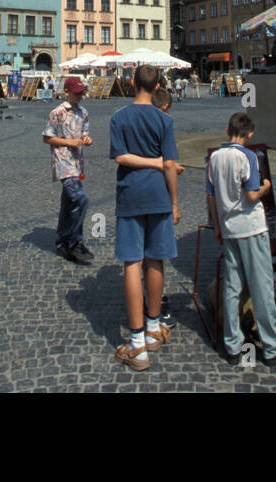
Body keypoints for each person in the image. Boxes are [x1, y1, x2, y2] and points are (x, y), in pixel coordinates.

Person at [111, 64, 182, 371]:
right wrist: (175, 202)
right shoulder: (163, 119)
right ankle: (153, 326)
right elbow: (169, 164)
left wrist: (149, 162)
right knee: (156, 260)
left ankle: (138, 345)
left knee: (132, 262)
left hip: (130, 193)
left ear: (131, 84)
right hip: (158, 195)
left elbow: (121, 156)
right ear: (157, 88)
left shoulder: (118, 117)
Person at [207, 112, 276, 367]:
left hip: (229, 228)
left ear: (227, 129)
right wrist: (265, 185)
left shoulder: (214, 158)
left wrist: (217, 226)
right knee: (261, 285)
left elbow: (210, 196)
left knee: (233, 287)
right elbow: (252, 196)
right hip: (251, 227)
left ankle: (232, 345)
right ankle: (272, 346)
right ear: (250, 134)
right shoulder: (248, 156)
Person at [43, 76, 94, 265]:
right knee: (80, 199)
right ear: (67, 92)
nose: (80, 96)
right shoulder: (57, 112)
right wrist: (68, 142)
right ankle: (74, 241)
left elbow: (85, 132)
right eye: (77, 93)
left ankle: (62, 241)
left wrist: (87, 139)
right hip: (63, 162)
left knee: (68, 203)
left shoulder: (84, 112)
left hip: (77, 162)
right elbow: (47, 137)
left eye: (81, 93)